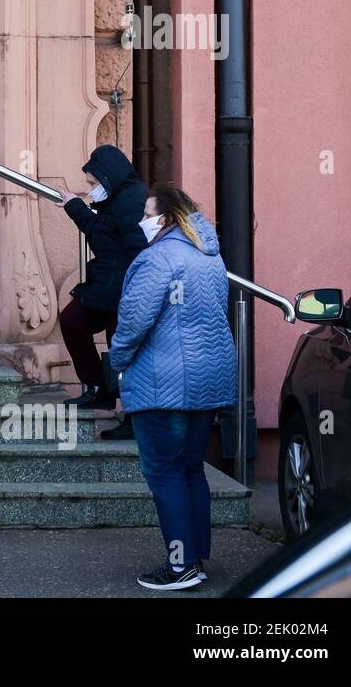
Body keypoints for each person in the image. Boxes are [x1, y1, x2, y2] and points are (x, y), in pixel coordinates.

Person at [109, 184, 236, 591]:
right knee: (190, 469)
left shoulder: (158, 258)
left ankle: (180, 566)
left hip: (164, 383)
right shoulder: (209, 256)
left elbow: (132, 322)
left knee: (164, 472)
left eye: (146, 213)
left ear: (164, 218)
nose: (140, 220)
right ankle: (194, 558)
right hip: (207, 379)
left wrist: (116, 363)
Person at [56, 144, 148, 438]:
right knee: (73, 322)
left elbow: (140, 253)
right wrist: (76, 208)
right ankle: (98, 389)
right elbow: (102, 232)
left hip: (123, 293)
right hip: (106, 288)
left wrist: (135, 297)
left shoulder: (133, 201)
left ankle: (134, 418)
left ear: (108, 178)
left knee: (123, 352)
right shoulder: (117, 199)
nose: (91, 189)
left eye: (93, 183)